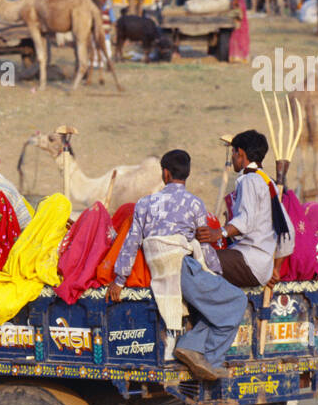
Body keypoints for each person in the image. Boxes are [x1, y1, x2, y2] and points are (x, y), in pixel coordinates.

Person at [108, 150, 242, 384]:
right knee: (236, 301)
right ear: (186, 174)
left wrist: (119, 280)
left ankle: (192, 346)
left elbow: (131, 242)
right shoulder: (194, 204)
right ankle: (208, 358)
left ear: (165, 173)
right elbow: (206, 248)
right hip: (184, 267)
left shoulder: (145, 203)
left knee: (210, 307)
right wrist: (217, 276)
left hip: (159, 270)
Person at [197, 129, 295, 288]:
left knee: (195, 259)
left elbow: (245, 221)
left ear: (240, 153)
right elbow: (288, 232)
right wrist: (275, 269)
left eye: (234, 153)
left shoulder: (249, 180)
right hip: (261, 266)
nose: (233, 157)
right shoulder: (268, 181)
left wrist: (219, 233)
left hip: (248, 260)